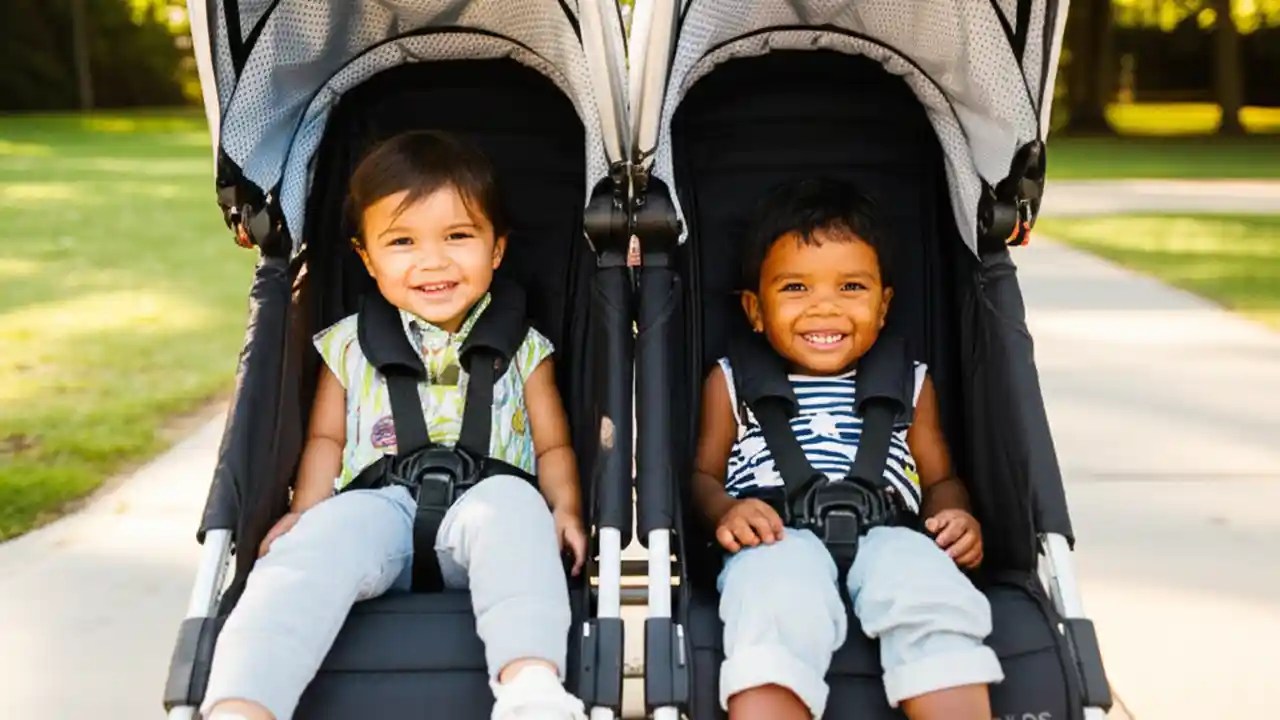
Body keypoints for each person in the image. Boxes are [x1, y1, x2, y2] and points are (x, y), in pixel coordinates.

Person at [202, 130, 588, 720]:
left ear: (497, 249)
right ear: (367, 257)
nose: (433, 261)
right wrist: (306, 511)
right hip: (377, 505)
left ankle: (529, 682)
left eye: (458, 237)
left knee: (516, 509)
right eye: (402, 241)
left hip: (485, 510)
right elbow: (327, 439)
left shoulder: (525, 348)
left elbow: (554, 443)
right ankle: (244, 702)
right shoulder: (349, 343)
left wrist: (564, 509)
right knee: (304, 559)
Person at [690, 178, 1005, 720]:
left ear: (884, 307)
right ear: (755, 309)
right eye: (795, 289)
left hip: (893, 532)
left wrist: (954, 514)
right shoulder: (731, 381)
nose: (824, 308)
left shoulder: (909, 382)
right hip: (776, 533)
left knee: (931, 592)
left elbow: (939, 478)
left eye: (851, 288)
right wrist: (726, 511)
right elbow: (702, 475)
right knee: (772, 598)